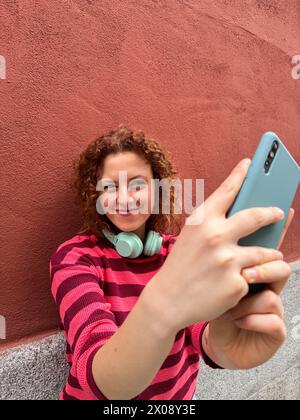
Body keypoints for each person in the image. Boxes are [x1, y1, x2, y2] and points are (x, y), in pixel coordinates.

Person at [49, 124, 294, 400]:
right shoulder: (75, 257)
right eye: (109, 187)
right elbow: (103, 380)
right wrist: (165, 303)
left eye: (137, 185)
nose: (124, 198)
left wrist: (225, 345)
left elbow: (202, 333)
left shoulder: (178, 252)